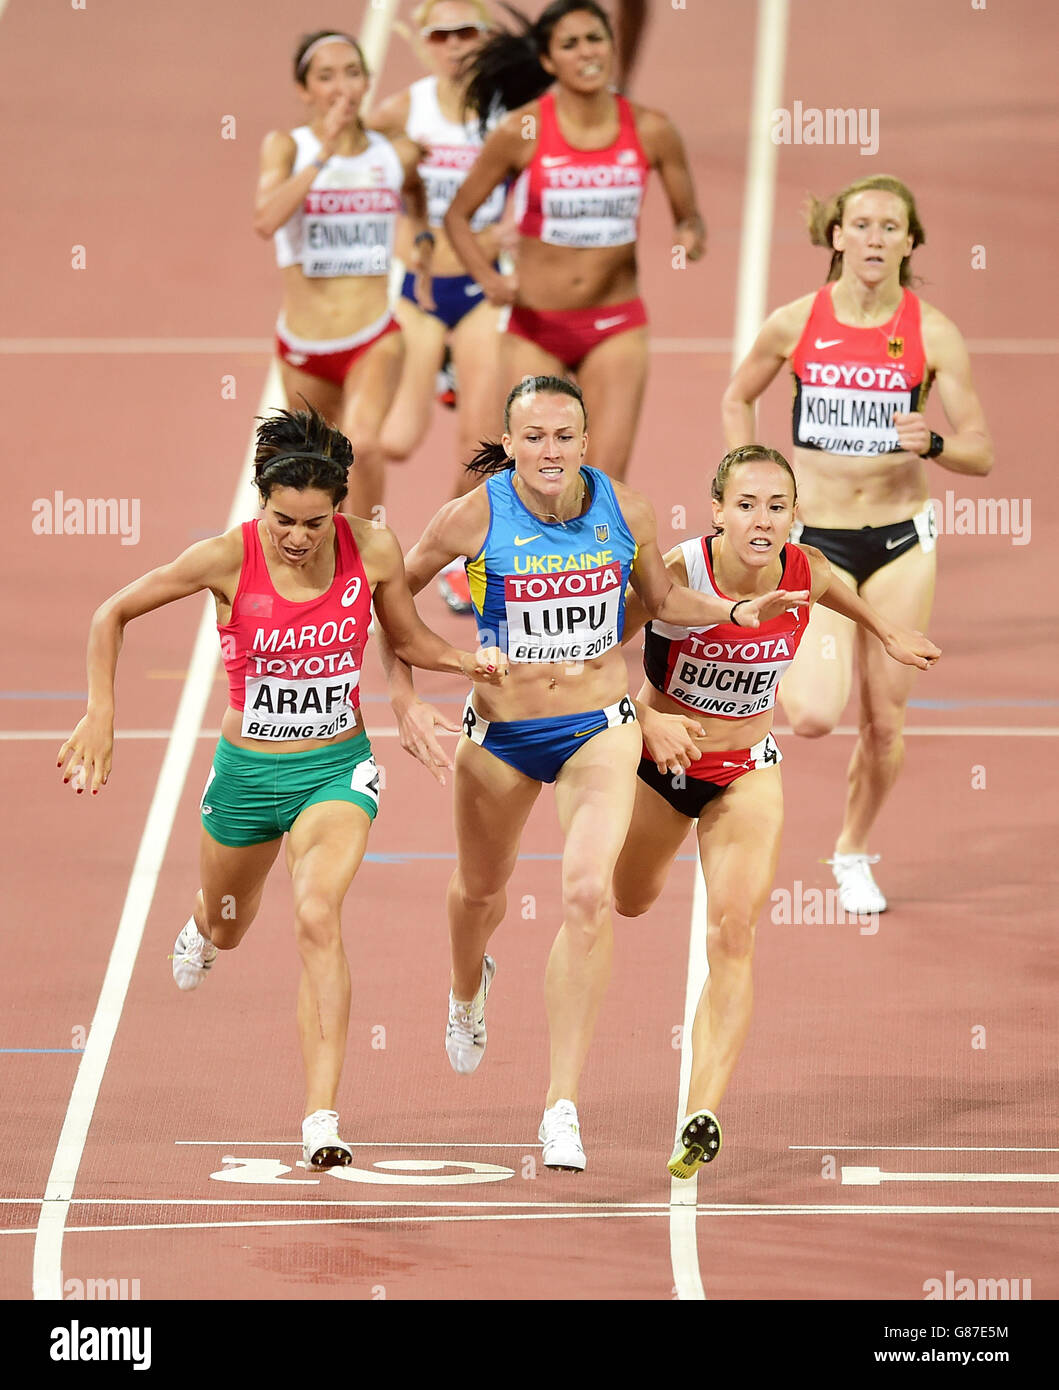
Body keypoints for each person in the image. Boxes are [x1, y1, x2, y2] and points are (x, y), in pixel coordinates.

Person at [56, 405, 505, 1169]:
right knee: (229, 922)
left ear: (339, 507)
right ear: (259, 503)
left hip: (334, 771)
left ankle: (321, 1119)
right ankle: (204, 928)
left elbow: (406, 639)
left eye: (314, 522)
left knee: (316, 912)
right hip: (244, 776)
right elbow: (112, 613)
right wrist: (102, 711)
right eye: (282, 520)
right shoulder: (223, 559)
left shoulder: (375, 548)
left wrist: (465, 662)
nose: (297, 537)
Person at [379, 376, 807, 1172]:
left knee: (585, 893)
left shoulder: (626, 511)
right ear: (508, 444)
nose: (550, 450)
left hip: (596, 729)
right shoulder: (472, 516)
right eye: (533, 436)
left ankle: (560, 1105)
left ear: (585, 441)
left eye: (564, 436)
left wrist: (732, 612)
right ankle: (468, 988)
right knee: (479, 892)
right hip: (504, 734)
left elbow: (662, 601)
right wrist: (403, 701)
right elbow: (389, 600)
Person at [612, 444, 941, 1178]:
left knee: (733, 932)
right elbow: (594, 658)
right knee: (627, 901)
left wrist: (886, 632)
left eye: (776, 507)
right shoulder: (674, 575)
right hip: (661, 765)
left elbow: (839, 595)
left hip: (744, 772)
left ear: (797, 516)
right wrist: (640, 718)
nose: (761, 520)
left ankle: (701, 1110)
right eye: (747, 505)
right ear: (717, 511)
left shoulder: (806, 570)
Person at [721, 175, 992, 914]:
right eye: (861, 225)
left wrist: (932, 440)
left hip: (902, 544)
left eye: (889, 228)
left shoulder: (931, 332)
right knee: (810, 716)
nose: (874, 239)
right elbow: (737, 395)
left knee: (884, 723)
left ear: (908, 244)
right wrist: (747, 483)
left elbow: (980, 451)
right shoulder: (794, 322)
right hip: (819, 543)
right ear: (835, 236)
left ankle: (850, 849)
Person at [443, 0, 705, 482]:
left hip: (616, 326)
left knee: (603, 479)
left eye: (595, 39)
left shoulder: (651, 129)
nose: (586, 52)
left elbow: (691, 220)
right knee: (527, 474)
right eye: (570, 44)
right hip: (534, 326)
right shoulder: (522, 130)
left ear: (612, 45)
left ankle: (595, 561)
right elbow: (458, 216)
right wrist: (487, 279)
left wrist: (689, 238)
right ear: (548, 61)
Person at [252, 29, 435, 521]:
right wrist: (324, 155)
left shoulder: (394, 154)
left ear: (366, 82)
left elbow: (416, 193)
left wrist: (420, 240)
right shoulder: (288, 148)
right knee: (309, 472)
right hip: (304, 346)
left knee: (365, 443)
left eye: (352, 73)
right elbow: (266, 219)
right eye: (325, 76)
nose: (341, 87)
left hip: (373, 335)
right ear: (304, 90)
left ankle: (370, 552)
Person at [368, 0, 508, 615]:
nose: (454, 44)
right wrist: (406, 244)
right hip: (422, 294)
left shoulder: (509, 111)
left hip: (480, 294)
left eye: (467, 32)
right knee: (394, 440)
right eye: (441, 35)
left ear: (486, 39)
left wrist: (507, 231)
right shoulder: (403, 111)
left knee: (485, 449)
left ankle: (455, 560)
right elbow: (367, 184)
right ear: (423, 44)